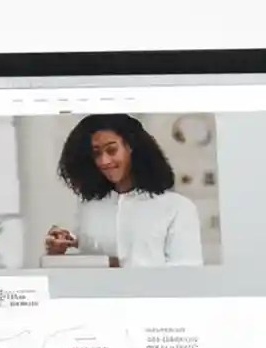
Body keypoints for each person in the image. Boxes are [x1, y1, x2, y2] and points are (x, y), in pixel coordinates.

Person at [44, 113, 204, 267]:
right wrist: (61, 245)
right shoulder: (89, 207)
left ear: (131, 147)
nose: (104, 161)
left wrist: (121, 267)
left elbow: (185, 275)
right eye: (96, 154)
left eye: (111, 150)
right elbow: (87, 254)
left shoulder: (178, 208)